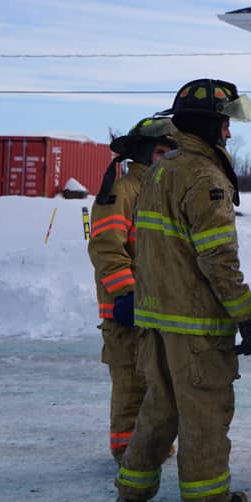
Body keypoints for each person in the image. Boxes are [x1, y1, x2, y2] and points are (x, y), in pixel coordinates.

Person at [115, 79, 251, 502]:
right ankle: (208, 501)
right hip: (194, 325)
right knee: (204, 413)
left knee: (159, 406)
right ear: (210, 126)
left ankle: (132, 491)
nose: (230, 134)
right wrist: (246, 316)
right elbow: (218, 258)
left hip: (156, 318)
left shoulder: (162, 169)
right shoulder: (204, 177)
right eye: (225, 125)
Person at [89, 116, 177, 463]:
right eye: (159, 152)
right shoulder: (121, 191)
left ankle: (150, 446)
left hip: (155, 307)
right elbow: (106, 248)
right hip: (126, 309)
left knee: (156, 381)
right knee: (130, 383)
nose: (165, 159)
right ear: (142, 153)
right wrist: (125, 294)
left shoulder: (158, 191)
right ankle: (126, 450)